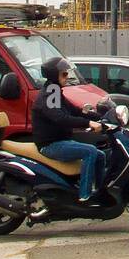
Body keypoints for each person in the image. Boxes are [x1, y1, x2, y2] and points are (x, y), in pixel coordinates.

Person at [32, 56, 104, 204]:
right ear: (53, 75)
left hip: (61, 141)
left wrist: (101, 116)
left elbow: (75, 111)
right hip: (50, 145)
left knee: (100, 154)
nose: (67, 77)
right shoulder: (50, 93)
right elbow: (60, 118)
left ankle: (100, 191)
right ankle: (85, 196)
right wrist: (89, 123)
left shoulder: (55, 90)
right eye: (64, 74)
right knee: (90, 151)